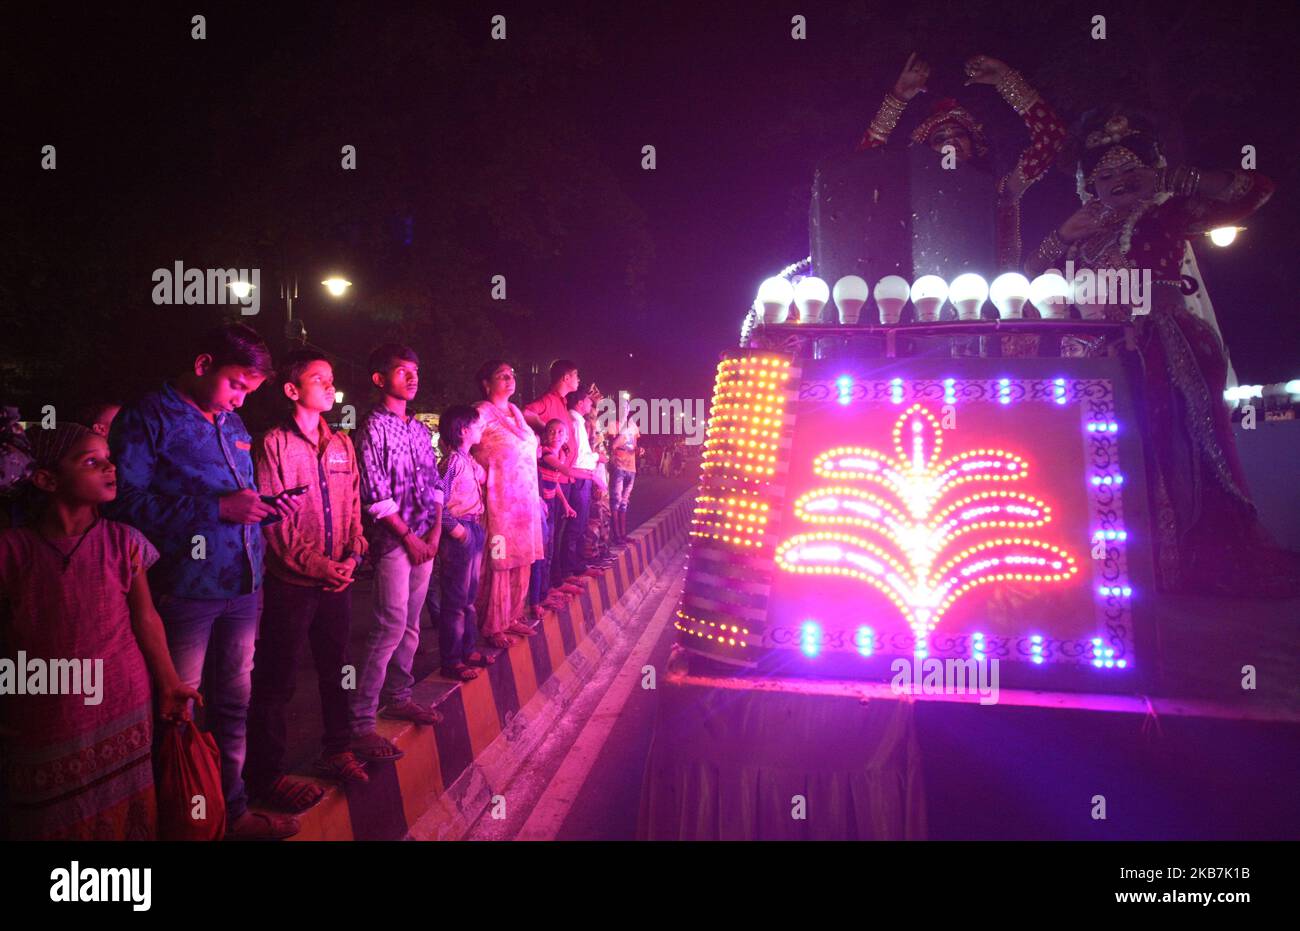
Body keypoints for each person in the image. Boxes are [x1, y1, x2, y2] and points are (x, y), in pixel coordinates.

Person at [1026, 109, 1296, 597]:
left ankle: (1180, 565)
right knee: (1107, 456)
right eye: (1105, 176)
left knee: (1172, 444)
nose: (1119, 183)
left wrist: (1179, 179)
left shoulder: (1168, 211)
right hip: (1099, 356)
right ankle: (1118, 568)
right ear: (1089, 186)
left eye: (1131, 171)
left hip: (1165, 346)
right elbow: (1029, 273)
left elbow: (1256, 189)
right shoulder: (1082, 233)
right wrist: (1062, 236)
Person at [106, 323, 302, 840]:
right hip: (183, 589)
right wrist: (216, 508)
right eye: (236, 384)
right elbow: (124, 505)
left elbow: (240, 500)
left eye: (248, 392)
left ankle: (231, 812)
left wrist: (263, 510)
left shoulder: (233, 424)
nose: (239, 400)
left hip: (243, 583)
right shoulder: (147, 418)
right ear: (202, 365)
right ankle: (181, 823)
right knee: (179, 710)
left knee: (235, 703)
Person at [0, 423, 198, 840]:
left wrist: (168, 682)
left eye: (108, 459)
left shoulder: (124, 542)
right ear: (46, 479)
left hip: (123, 706)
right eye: (92, 462)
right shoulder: (12, 550)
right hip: (44, 713)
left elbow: (145, 619)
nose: (110, 468)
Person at [244, 350, 370, 816]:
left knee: (338, 667)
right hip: (292, 583)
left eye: (331, 379)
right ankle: (267, 775)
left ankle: (337, 748)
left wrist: (354, 554)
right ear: (292, 390)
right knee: (276, 679)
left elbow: (355, 504)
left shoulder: (341, 443)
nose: (328, 386)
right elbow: (273, 522)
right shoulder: (273, 445)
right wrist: (319, 565)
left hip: (339, 578)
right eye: (318, 379)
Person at [858, 53, 1067, 271]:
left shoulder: (999, 193)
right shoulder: (912, 201)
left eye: (959, 134)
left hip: (998, 302)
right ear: (927, 154)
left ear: (974, 147)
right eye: (939, 139)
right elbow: (861, 171)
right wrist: (897, 99)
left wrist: (1006, 80)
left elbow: (1051, 139)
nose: (951, 141)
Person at [351, 344, 445, 764]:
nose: (412, 378)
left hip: (425, 538)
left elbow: (434, 484)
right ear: (379, 379)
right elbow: (374, 494)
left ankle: (400, 696)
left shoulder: (420, 430)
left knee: (411, 625)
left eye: (415, 370)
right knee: (388, 626)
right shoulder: (372, 427)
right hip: (394, 542)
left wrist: (436, 531)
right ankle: (360, 721)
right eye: (402, 371)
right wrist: (409, 537)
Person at [472, 360, 544, 647]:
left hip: (524, 503)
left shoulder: (516, 413)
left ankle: (514, 616)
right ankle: (493, 624)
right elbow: (462, 446)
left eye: (511, 375)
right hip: (498, 502)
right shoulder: (481, 413)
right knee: (499, 563)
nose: (509, 379)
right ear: (487, 384)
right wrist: (480, 475)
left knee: (522, 560)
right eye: (501, 376)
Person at [434, 404, 496, 681]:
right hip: (460, 532)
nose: (482, 428)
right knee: (456, 600)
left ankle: (467, 650)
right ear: (462, 430)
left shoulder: (467, 460)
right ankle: (451, 660)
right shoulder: (452, 462)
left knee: (469, 598)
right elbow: (436, 501)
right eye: (478, 425)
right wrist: (455, 529)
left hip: (473, 528)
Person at [524, 360, 580, 587]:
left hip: (562, 480)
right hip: (554, 478)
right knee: (551, 536)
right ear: (565, 377)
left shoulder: (562, 403)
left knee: (559, 532)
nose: (578, 380)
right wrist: (547, 433)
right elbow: (527, 412)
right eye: (576, 375)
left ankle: (554, 581)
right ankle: (548, 586)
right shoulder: (548, 400)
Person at [531, 418, 578, 615]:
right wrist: (592, 476)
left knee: (549, 551)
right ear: (545, 435)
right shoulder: (547, 452)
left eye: (560, 432)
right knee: (541, 553)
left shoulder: (559, 454)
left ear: (567, 436)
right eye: (552, 431)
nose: (556, 435)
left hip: (550, 504)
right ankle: (536, 600)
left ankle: (545, 591)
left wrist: (566, 504)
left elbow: (555, 480)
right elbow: (564, 470)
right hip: (540, 505)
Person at [562, 388, 599, 578]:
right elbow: (578, 457)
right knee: (575, 526)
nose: (591, 405)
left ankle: (577, 565)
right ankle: (568, 569)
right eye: (588, 401)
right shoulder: (575, 423)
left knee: (581, 525)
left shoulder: (579, 422)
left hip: (583, 476)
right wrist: (596, 457)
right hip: (579, 477)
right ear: (579, 403)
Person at [608, 419, 639, 544]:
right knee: (616, 501)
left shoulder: (633, 425)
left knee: (624, 502)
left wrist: (638, 450)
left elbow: (635, 445)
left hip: (631, 468)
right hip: (619, 467)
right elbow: (611, 445)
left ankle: (623, 534)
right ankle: (616, 536)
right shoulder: (613, 424)